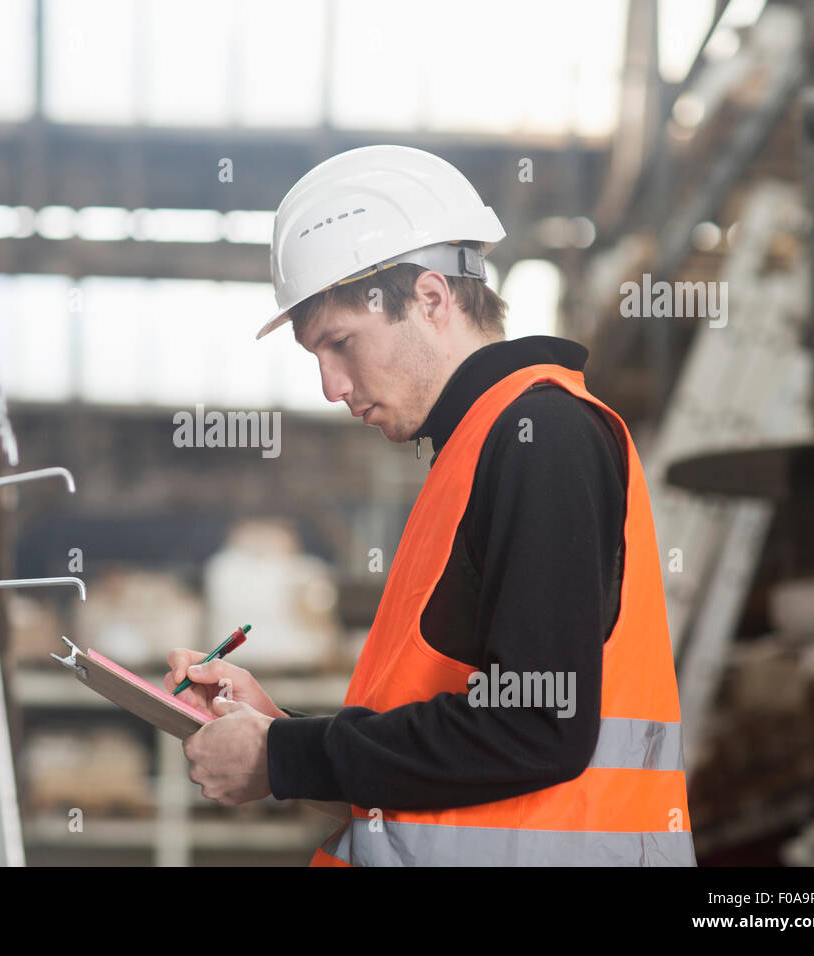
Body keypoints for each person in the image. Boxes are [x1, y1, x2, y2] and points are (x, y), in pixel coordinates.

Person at [165, 145, 697, 866]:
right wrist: (275, 729)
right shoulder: (480, 448)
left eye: (342, 343)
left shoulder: (541, 439)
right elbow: (453, 736)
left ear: (432, 299)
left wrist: (285, 754)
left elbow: (538, 725)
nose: (330, 387)